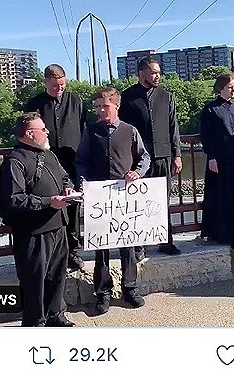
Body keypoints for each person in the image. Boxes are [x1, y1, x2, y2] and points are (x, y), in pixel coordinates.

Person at [0, 112, 76, 327]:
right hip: (33, 232)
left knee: (57, 275)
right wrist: (49, 201)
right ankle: (34, 323)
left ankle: (56, 315)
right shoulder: (15, 161)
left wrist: (67, 188)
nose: (47, 131)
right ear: (30, 134)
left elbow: (64, 176)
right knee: (34, 282)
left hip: (58, 225)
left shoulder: (49, 155)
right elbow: (14, 199)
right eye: (43, 129)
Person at [75, 88, 151, 315]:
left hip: (124, 197)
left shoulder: (130, 131)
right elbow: (81, 161)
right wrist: (84, 181)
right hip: (99, 198)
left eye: (104, 106)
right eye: (97, 107)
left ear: (116, 106)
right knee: (102, 249)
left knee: (128, 246)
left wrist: (137, 172)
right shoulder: (91, 131)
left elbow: (144, 157)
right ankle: (103, 292)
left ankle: (130, 289)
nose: (100, 110)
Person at [24, 64, 87, 272]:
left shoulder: (76, 101)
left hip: (73, 162)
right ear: (46, 83)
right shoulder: (35, 104)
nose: (59, 89)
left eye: (62, 85)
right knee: (52, 206)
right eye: (54, 86)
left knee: (74, 205)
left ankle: (74, 250)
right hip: (46, 163)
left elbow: (84, 129)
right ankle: (55, 252)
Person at [119, 57, 183, 259]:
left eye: (158, 72)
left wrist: (177, 154)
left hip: (163, 155)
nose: (158, 76)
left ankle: (166, 241)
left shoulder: (166, 96)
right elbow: (123, 129)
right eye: (154, 72)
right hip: (139, 158)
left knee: (163, 200)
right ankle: (139, 245)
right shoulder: (128, 97)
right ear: (142, 73)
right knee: (139, 201)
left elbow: (173, 127)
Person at [199, 73, 234, 251]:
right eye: (230, 87)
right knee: (224, 196)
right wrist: (212, 156)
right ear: (221, 87)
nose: (233, 89)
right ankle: (224, 233)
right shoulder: (210, 109)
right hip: (221, 159)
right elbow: (206, 135)